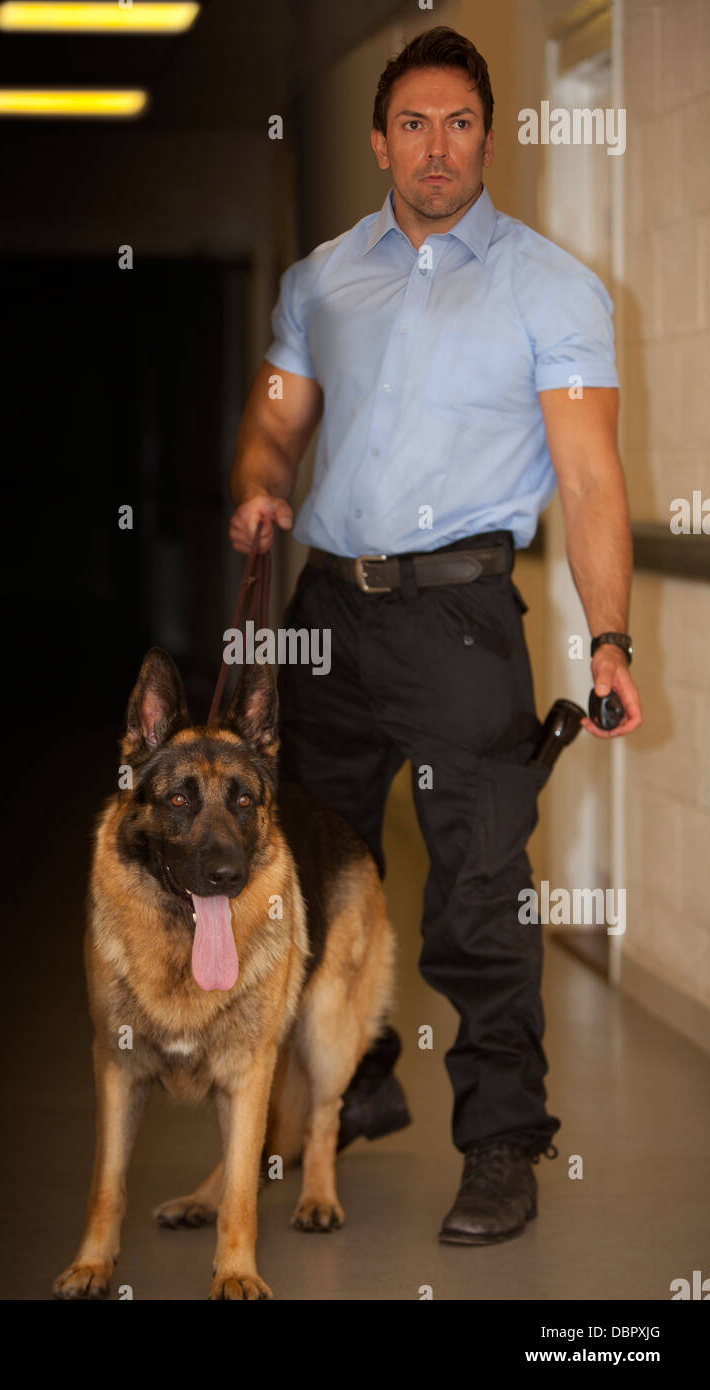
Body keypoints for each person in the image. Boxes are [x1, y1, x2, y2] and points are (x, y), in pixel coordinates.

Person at [227, 25, 642, 1247]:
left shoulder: (551, 288)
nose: (435, 147)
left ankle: (502, 1144)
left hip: (460, 620)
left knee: (477, 893)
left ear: (487, 136)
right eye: (412, 123)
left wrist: (606, 638)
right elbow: (271, 431)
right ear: (377, 140)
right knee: (301, 878)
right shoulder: (318, 281)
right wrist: (257, 484)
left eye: (458, 122)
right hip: (323, 619)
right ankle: (355, 1085)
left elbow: (591, 479)